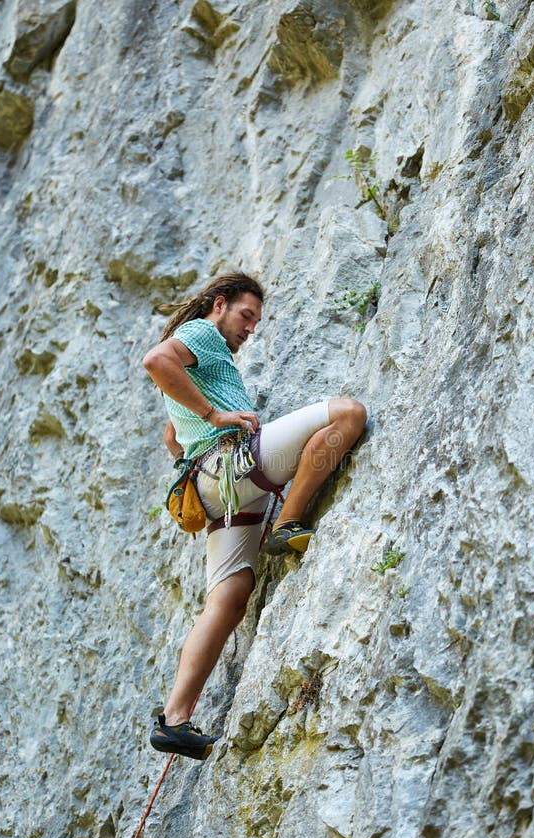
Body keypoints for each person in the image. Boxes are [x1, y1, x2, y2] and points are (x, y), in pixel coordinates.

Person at [143, 272, 367, 759]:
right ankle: (288, 522)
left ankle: (174, 720)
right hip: (233, 464)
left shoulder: (206, 359)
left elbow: (170, 438)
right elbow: (156, 360)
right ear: (219, 305)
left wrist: (198, 435)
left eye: (256, 323)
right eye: (246, 316)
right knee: (348, 413)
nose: (250, 329)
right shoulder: (202, 333)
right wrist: (215, 416)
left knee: (228, 598)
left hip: (214, 489)